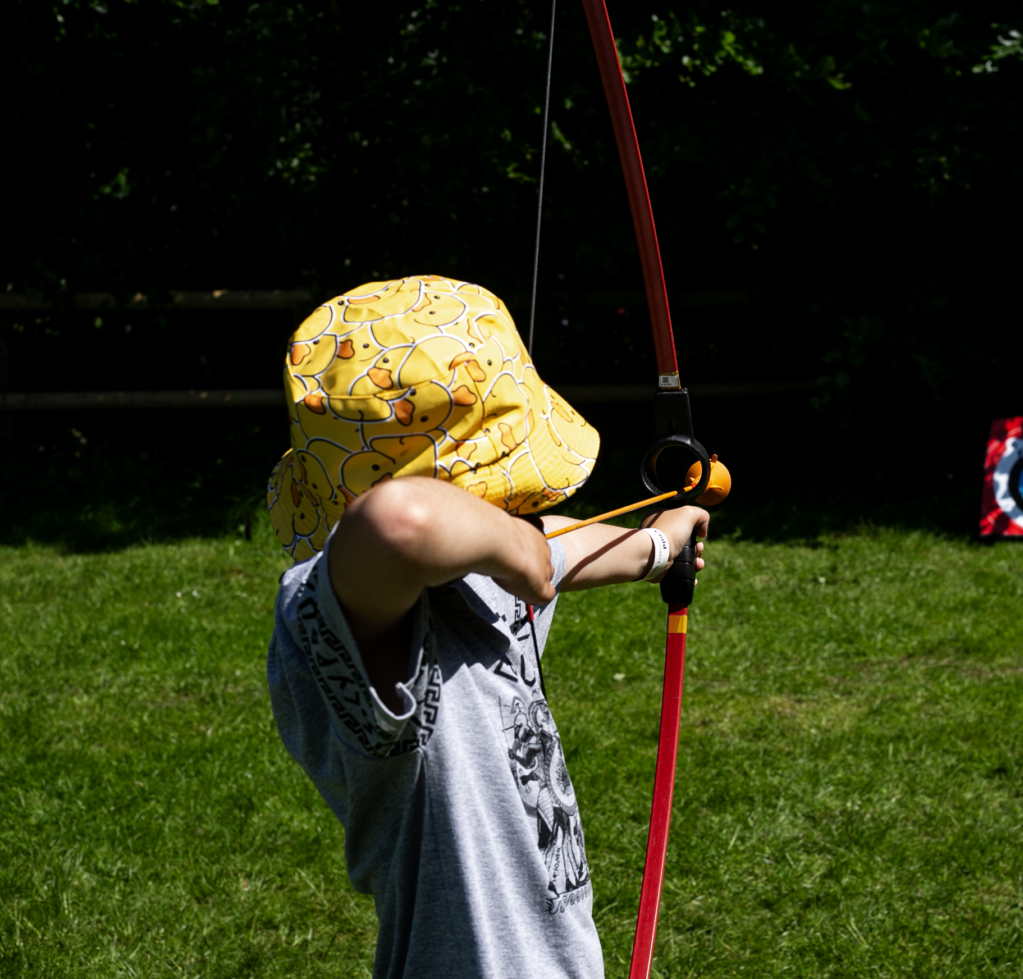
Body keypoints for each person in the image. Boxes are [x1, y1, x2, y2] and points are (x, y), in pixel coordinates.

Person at [264, 275, 708, 979]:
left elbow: (550, 545)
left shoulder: (479, 561)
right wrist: (520, 550)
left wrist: (658, 545)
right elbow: (402, 522)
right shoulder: (336, 618)